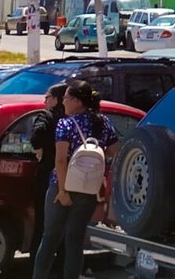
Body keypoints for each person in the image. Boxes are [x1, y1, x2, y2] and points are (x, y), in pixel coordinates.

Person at [31, 81, 119, 279]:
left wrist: (62, 191)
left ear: (78, 101)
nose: (63, 102)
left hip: (62, 186)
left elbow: (60, 160)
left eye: (67, 98)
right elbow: (116, 152)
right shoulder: (103, 122)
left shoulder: (66, 124)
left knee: (50, 239)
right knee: (75, 241)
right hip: (88, 189)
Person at [28, 83, 64, 252]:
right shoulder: (73, 119)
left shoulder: (47, 116)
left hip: (47, 178)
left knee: (42, 224)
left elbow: (36, 135)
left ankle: (37, 266)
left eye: (47, 98)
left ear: (56, 99)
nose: (44, 102)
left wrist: (40, 151)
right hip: (69, 180)